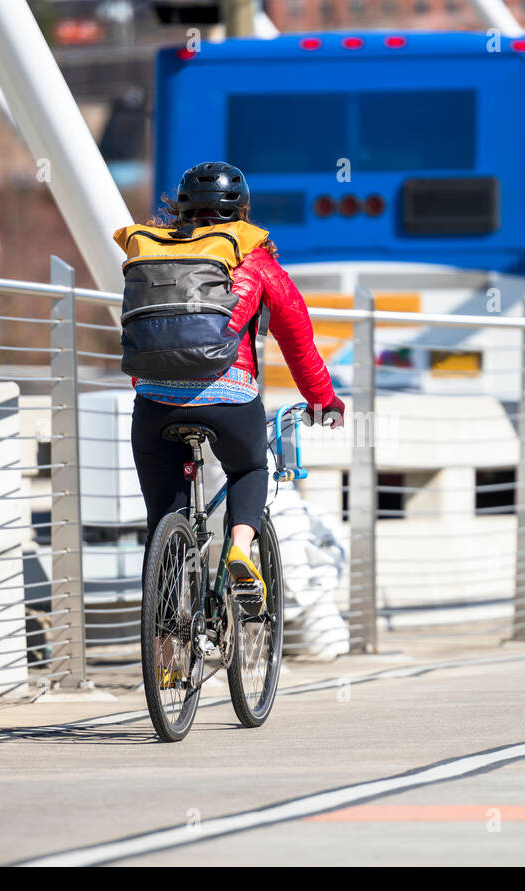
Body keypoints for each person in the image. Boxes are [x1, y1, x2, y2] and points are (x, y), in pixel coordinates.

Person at [126, 161, 345, 615]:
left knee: (163, 522)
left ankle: (163, 647)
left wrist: (152, 384)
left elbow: (148, 332)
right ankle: (240, 547)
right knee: (250, 468)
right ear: (242, 211)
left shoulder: (154, 252)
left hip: (154, 400)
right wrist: (323, 401)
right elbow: (298, 343)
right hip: (227, 395)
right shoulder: (256, 260)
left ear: (180, 209)